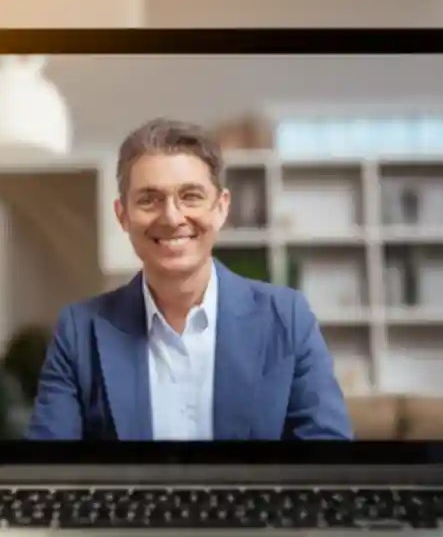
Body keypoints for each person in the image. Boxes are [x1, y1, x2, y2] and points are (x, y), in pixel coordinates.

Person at [26, 118, 352, 441]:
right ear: (122, 215)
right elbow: (48, 469)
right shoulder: (78, 330)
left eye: (191, 196)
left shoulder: (287, 318)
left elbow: (328, 459)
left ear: (221, 208)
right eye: (149, 199)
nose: (171, 217)